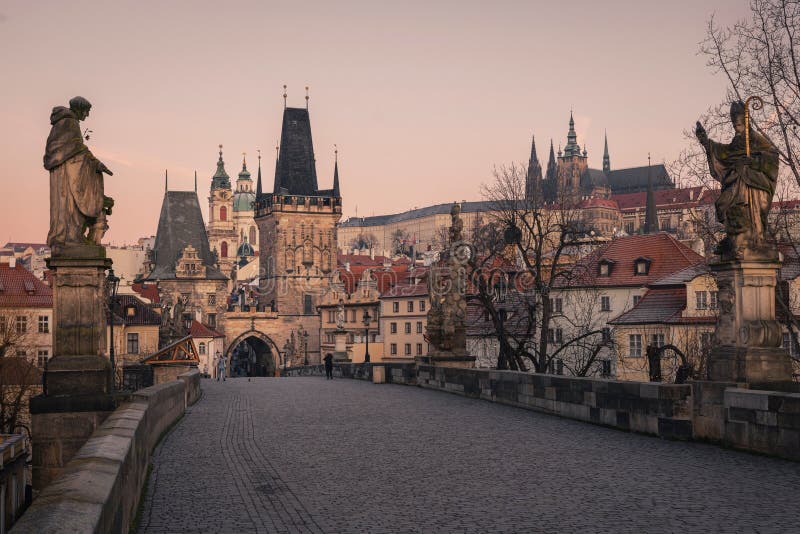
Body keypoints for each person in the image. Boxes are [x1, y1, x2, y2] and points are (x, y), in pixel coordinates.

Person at [696, 100, 779, 259]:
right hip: (736, 181)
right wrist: (706, 142)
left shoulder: (755, 138)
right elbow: (723, 153)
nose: (736, 127)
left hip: (752, 185)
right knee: (723, 204)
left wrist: (753, 162)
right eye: (734, 124)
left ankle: (751, 240)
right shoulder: (736, 141)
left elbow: (772, 157)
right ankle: (736, 238)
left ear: (745, 121)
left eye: (738, 124)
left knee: (744, 210)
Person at [44, 96, 114, 251]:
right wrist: (96, 164)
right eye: (87, 111)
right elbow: (76, 147)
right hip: (66, 175)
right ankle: (69, 236)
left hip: (66, 171)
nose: (87, 115)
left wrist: (94, 162)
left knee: (69, 208)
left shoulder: (64, 122)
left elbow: (75, 148)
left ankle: (71, 235)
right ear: (80, 109)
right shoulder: (69, 122)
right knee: (68, 206)